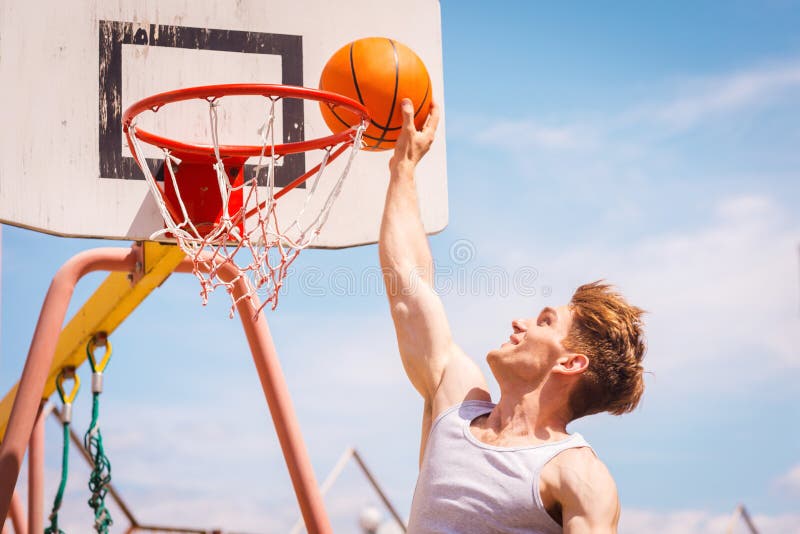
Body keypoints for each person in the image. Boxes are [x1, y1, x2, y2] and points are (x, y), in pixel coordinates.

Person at [379, 98, 647, 533]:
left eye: (544, 322)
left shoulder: (577, 476)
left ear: (571, 362)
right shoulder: (457, 401)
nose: (519, 322)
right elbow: (409, 285)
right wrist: (403, 171)